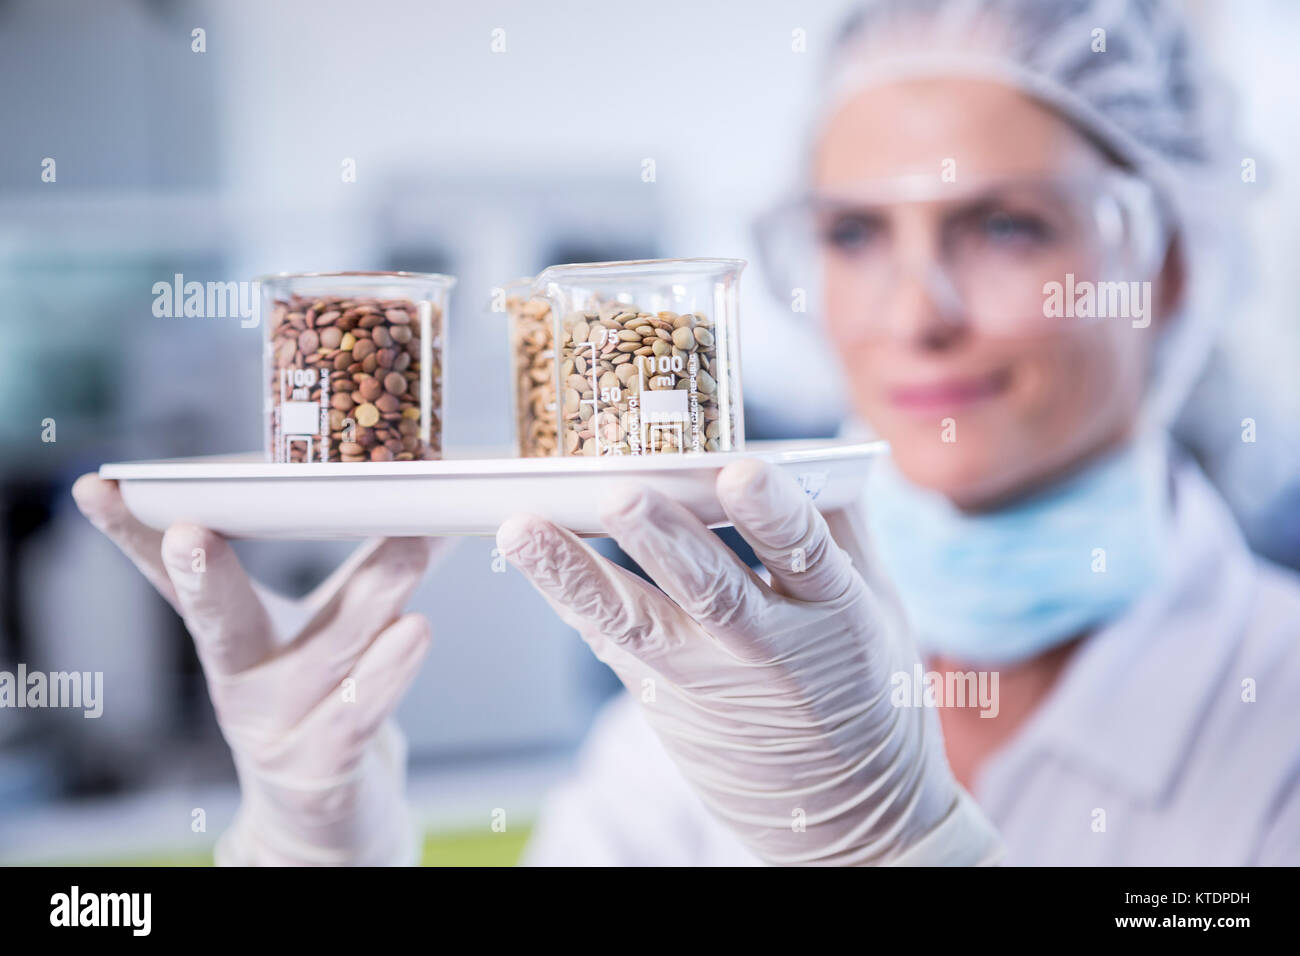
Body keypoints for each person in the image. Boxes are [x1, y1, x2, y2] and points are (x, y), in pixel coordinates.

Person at [74, 0, 1299, 866]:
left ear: (1173, 265)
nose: (912, 316)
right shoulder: (699, 711)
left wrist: (898, 849)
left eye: (1006, 225)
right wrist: (315, 841)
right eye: (855, 234)